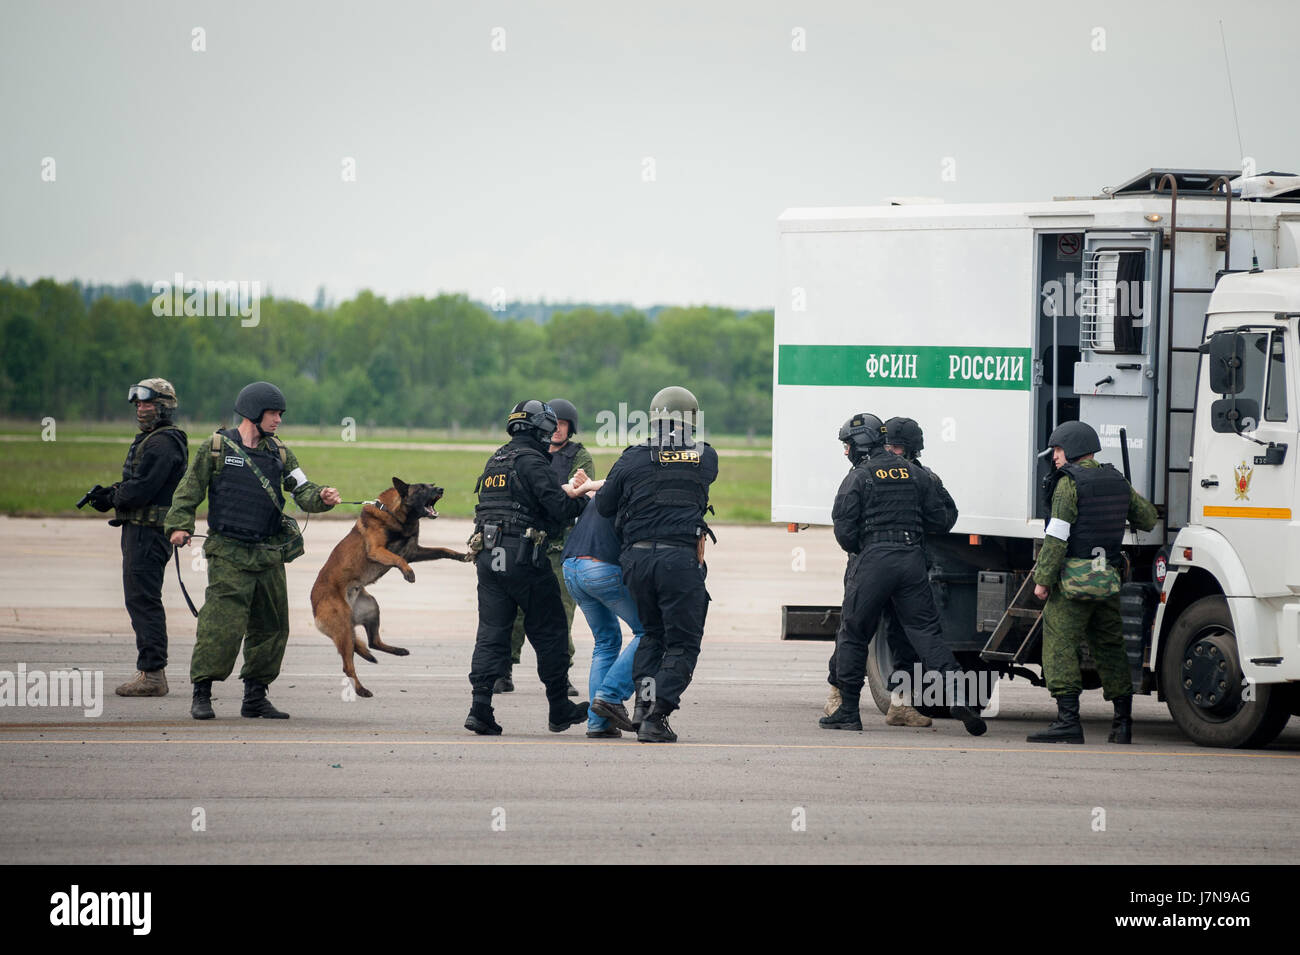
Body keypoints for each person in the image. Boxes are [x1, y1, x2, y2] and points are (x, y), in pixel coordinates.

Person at [165, 381, 340, 720]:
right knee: (221, 625)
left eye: (280, 414)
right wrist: (179, 525)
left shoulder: (280, 453)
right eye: (273, 413)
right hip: (228, 552)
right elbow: (189, 489)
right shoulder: (216, 448)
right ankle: (202, 693)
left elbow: (302, 489)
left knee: (272, 626)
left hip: (268, 554)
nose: (278, 420)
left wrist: (323, 497)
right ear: (253, 413)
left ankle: (255, 696)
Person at [821, 413, 985, 736]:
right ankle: (959, 694)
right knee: (926, 634)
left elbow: (843, 531)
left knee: (854, 633)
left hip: (873, 562)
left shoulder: (859, 477)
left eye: (848, 445)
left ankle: (848, 711)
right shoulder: (917, 474)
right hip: (912, 561)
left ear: (862, 444)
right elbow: (943, 518)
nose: (846, 452)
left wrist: (868, 549)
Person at [597, 386, 718, 743]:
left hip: (636, 561)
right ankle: (656, 716)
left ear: (654, 418)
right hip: (678, 561)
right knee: (682, 642)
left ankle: (642, 707)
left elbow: (605, 506)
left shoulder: (632, 457)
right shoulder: (705, 457)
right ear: (691, 421)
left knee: (652, 635)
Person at [1027, 421, 1158, 744]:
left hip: (1073, 580)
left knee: (1059, 646)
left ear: (1070, 449)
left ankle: (1068, 721)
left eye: (1057, 450)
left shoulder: (1067, 484)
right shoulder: (1117, 479)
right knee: (1111, 648)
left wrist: (1042, 580)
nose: (1054, 457)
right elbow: (1148, 519)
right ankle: (1122, 723)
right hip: (1107, 578)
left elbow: (1056, 538)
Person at [465, 400, 590, 735]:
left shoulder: (496, 460)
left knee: (492, 632)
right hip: (523, 557)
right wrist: (581, 496)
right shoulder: (532, 461)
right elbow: (559, 509)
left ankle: (480, 709)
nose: (551, 438)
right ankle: (559, 707)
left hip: (488, 556)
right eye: (548, 431)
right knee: (550, 629)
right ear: (538, 430)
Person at [85, 378, 189, 697]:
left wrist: (113, 497)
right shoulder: (155, 440)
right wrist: (113, 491)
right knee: (141, 599)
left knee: (143, 601)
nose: (141, 409)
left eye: (147, 403)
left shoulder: (163, 443)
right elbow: (139, 483)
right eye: (138, 404)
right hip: (140, 532)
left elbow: (143, 489)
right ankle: (151, 670)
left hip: (147, 534)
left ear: (163, 406)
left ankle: (153, 674)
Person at [497, 397, 594, 696]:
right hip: (528, 541)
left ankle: (560, 676)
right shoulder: (528, 453)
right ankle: (504, 669)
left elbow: (578, 488)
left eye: (563, 425)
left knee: (560, 613)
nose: (557, 430)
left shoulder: (579, 455)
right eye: (554, 424)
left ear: (570, 428)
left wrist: (568, 489)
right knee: (515, 613)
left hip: (561, 547)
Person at [561, 477, 645, 737]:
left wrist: (586, 486)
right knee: (650, 632)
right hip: (601, 567)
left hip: (571, 567)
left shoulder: (609, 489)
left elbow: (608, 482)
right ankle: (610, 695)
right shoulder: (634, 486)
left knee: (606, 641)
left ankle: (599, 724)